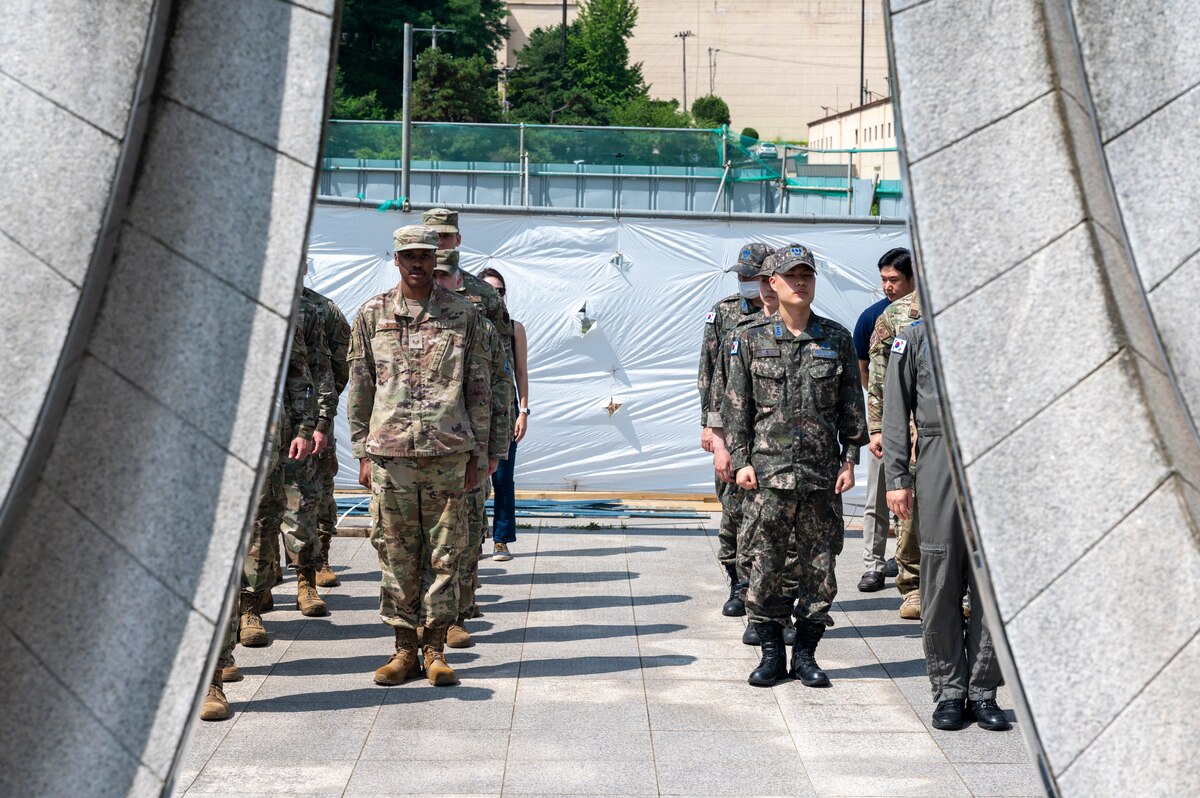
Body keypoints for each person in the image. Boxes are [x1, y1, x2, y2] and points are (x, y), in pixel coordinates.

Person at [347, 225, 501, 687]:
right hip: (390, 455)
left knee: (445, 554)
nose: (416, 263)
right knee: (395, 553)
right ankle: (402, 650)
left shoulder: (463, 315)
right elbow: (360, 388)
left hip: (448, 455)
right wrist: (361, 451)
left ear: (437, 260)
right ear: (395, 259)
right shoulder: (372, 315)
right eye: (408, 256)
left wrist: (486, 453)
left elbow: (481, 388)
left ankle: (433, 648)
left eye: (424, 256)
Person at [723, 244, 867, 688]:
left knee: (820, 570)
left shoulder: (836, 338)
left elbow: (850, 409)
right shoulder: (750, 338)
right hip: (766, 479)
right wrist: (742, 461)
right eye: (792, 276)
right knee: (764, 567)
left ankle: (805, 656)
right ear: (773, 284)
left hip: (821, 478)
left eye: (807, 275)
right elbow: (736, 409)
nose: (801, 283)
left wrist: (849, 459)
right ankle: (770, 654)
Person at [882, 320, 1010, 732]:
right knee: (939, 577)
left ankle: (984, 690)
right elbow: (896, 410)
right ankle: (950, 690)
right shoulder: (914, 335)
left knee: (990, 582)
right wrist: (897, 478)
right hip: (938, 456)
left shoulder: (1001, 326)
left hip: (995, 457)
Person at [201, 324, 316, 720]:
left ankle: (213, 673)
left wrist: (304, 428)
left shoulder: (275, 306)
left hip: (250, 440)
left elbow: (301, 376)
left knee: (230, 553)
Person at [430, 250, 513, 649]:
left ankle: (457, 614)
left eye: (447, 276)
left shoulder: (479, 323)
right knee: (414, 542)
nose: (441, 282)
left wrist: (494, 449)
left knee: (462, 534)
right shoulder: (392, 318)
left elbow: (500, 386)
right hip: (413, 451)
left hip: (465, 449)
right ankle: (417, 630)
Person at [697, 242, 772, 616]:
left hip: (770, 431)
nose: (744, 281)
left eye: (750, 276)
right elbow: (708, 372)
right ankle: (737, 583)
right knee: (732, 509)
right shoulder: (723, 313)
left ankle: (766, 587)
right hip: (729, 425)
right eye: (740, 276)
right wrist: (709, 426)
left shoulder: (788, 313)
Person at [855, 248, 914, 592]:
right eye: (884, 280)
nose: (887, 286)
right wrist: (882, 418)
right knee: (878, 496)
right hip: (890, 424)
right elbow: (867, 371)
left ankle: (905, 562)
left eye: (894, 280)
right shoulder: (874, 317)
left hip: (922, 427)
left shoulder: (926, 316)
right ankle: (873, 564)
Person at [279, 280, 337, 618]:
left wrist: (319, 420)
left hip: (297, 422)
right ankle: (253, 596)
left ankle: (306, 582)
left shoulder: (312, 309)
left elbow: (323, 369)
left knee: (301, 504)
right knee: (256, 514)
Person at [867, 271, 923, 619]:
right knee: (908, 512)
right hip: (911, 429)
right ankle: (913, 586)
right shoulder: (896, 315)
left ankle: (961, 589)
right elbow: (878, 372)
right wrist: (877, 428)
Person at [303, 259, 352, 588]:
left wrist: (322, 407)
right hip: (274, 419)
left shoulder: (324, 310)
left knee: (319, 490)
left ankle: (319, 559)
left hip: (316, 413)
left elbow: (343, 360)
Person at [480, 266, 529, 562]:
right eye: (489, 290)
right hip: (471, 410)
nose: (495, 296)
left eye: (500, 290)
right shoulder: (466, 322)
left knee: (502, 477)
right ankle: (472, 538)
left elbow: (522, 372)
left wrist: (523, 411)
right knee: (470, 478)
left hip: (505, 410)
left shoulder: (513, 327)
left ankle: (501, 539)